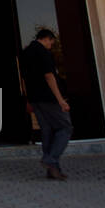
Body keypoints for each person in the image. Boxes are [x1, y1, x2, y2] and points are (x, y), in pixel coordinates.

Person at [19, 28, 72, 180]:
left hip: (35, 98)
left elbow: (24, 78)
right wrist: (60, 99)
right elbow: (49, 76)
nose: (51, 45)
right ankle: (50, 159)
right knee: (65, 127)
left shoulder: (26, 52)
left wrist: (28, 98)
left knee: (47, 130)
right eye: (51, 42)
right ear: (46, 38)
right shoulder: (42, 52)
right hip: (48, 98)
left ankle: (52, 170)